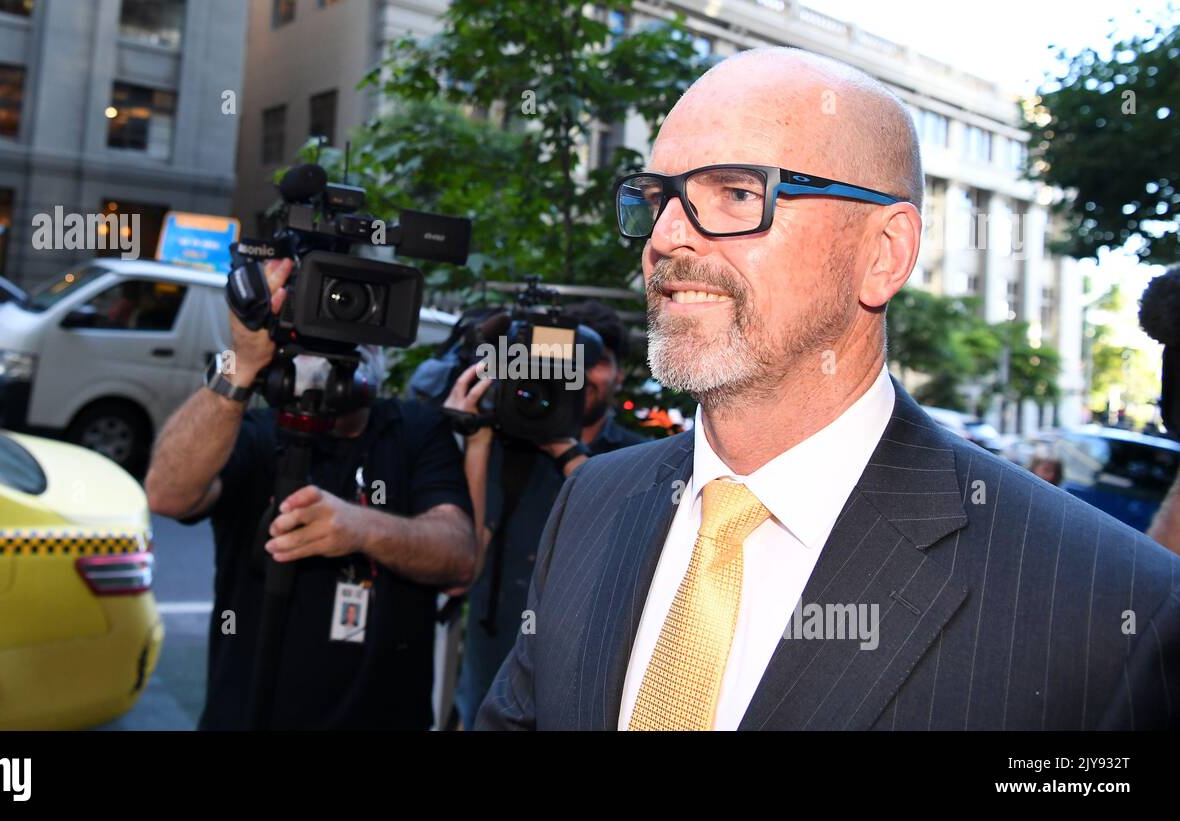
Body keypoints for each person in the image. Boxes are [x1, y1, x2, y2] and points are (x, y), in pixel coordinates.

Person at [477, 47, 1180, 731]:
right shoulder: (591, 503)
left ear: (884, 254)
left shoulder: (1107, 606)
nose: (665, 237)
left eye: (737, 192)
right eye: (654, 198)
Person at [145, 258, 477, 730]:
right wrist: (240, 364)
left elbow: (458, 557)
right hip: (247, 714)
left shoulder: (415, 430)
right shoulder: (255, 432)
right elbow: (167, 495)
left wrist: (359, 527)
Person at [441, 300, 647, 728]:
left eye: (598, 362)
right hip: (490, 675)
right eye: (572, 361)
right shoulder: (504, 443)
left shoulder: (642, 457)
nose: (584, 375)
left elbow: (634, 554)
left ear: (619, 374)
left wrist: (565, 451)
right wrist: (476, 440)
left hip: (587, 684)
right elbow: (461, 569)